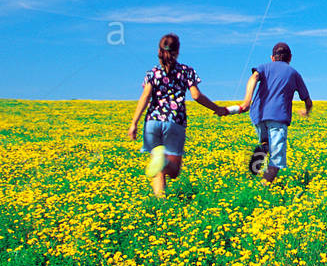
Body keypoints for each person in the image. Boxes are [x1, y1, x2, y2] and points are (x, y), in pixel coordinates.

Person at [127, 33, 227, 197]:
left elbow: (145, 97)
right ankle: (164, 163)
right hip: (174, 122)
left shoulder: (152, 73)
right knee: (173, 172)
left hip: (152, 122)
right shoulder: (186, 71)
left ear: (159, 50)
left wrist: (134, 123)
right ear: (178, 50)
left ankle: (161, 203)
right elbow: (196, 96)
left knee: (157, 166)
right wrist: (216, 108)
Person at [239, 41, 312, 184]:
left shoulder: (263, 67)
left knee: (266, 141)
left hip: (258, 115)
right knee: (277, 158)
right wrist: (306, 111)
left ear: (272, 57)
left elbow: (253, 77)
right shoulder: (294, 73)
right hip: (278, 117)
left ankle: (261, 152)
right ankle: (263, 188)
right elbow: (308, 101)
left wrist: (247, 101)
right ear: (290, 57)